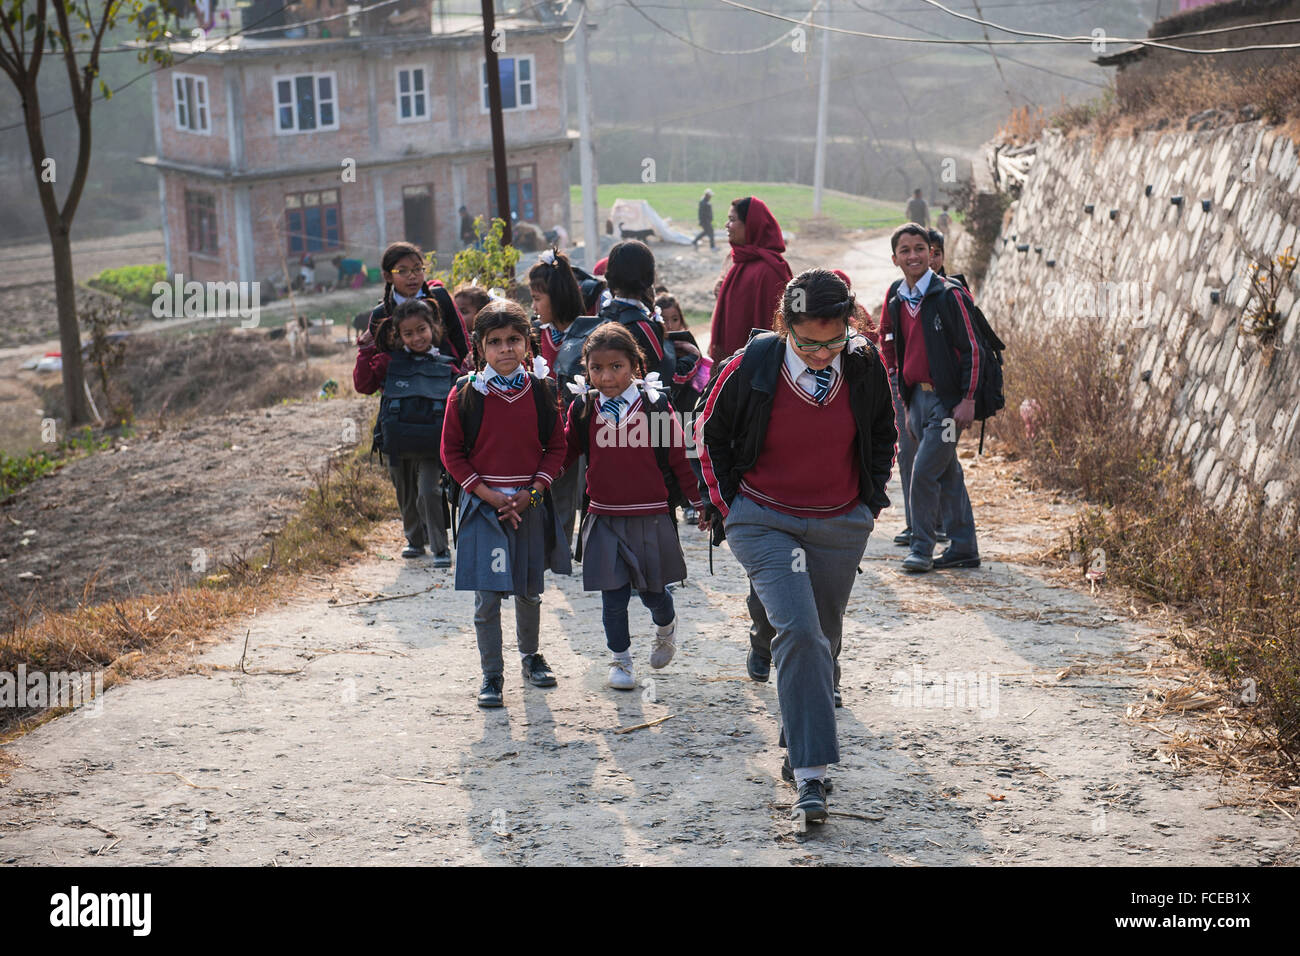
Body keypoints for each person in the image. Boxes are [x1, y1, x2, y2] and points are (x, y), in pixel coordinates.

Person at [695, 269, 896, 823]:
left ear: (849, 327)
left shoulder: (862, 364)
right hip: (763, 518)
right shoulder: (752, 364)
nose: (820, 353)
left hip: (838, 522)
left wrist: (868, 505)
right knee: (801, 630)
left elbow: (883, 432)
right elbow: (707, 432)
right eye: (807, 341)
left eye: (833, 340)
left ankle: (800, 720)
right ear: (786, 327)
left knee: (824, 637)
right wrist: (727, 505)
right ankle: (811, 774)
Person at [440, 300, 571, 708]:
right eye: (494, 342)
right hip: (483, 508)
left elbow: (556, 447)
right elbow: (452, 453)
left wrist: (531, 493)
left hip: (528, 504)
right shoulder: (465, 394)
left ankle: (531, 657)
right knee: (487, 597)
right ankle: (491, 675)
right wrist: (487, 494)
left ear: (528, 344)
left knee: (530, 590)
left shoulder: (541, 391)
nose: (505, 349)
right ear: (480, 347)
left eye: (514, 340)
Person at [564, 322, 703, 691]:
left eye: (616, 367)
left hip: (650, 515)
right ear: (586, 369)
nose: (606, 376)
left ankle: (666, 625)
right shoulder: (583, 408)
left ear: (635, 366)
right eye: (596, 368)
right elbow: (564, 453)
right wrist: (532, 478)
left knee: (653, 593)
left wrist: (698, 501)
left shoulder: (656, 408)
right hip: (603, 515)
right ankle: (621, 662)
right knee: (613, 597)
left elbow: (677, 459)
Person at [879, 223, 981, 574]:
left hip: (947, 404)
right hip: (917, 402)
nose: (914, 256)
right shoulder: (897, 300)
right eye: (905, 250)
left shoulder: (949, 295)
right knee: (948, 473)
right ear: (895, 259)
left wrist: (967, 399)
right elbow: (894, 350)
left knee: (923, 471)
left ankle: (922, 549)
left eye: (920, 248)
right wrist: (905, 404)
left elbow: (972, 349)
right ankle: (965, 547)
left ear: (932, 253)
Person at [353, 299, 458, 565]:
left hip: (433, 442)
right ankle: (414, 540)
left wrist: (468, 370)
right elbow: (364, 384)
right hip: (397, 440)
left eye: (421, 329)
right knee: (405, 493)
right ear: (397, 336)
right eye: (408, 333)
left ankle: (440, 547)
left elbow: (462, 393)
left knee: (429, 492)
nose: (417, 337)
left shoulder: (448, 363)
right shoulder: (389, 361)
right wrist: (365, 349)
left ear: (433, 327)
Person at [528, 248, 589, 553]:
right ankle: (547, 543)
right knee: (543, 488)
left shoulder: (588, 336)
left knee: (568, 489)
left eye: (538, 299)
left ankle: (561, 548)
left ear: (559, 296)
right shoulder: (534, 337)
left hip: (577, 428)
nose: (534, 306)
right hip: (543, 428)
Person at [708, 196, 793, 363]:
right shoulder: (738, 260)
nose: (726, 225)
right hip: (732, 360)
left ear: (752, 225)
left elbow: (776, 327)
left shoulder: (771, 269)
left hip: (756, 364)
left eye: (732, 220)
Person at [368, 241, 471, 370]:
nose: (412, 276)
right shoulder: (381, 314)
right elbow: (377, 362)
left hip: (446, 378)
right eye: (402, 271)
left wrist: (466, 372)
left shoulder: (440, 298)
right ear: (388, 276)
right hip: (403, 384)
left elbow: (460, 339)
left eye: (417, 269)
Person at [595, 240, 676, 383]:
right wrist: (690, 358)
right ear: (649, 277)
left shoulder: (600, 318)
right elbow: (661, 373)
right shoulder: (644, 327)